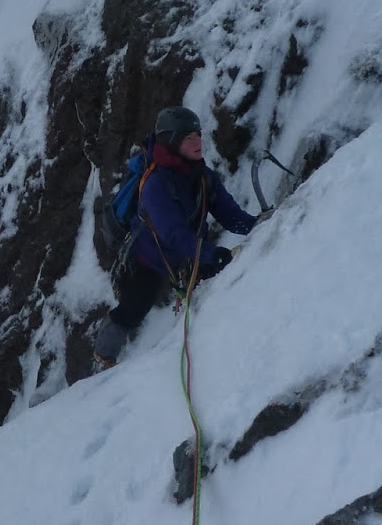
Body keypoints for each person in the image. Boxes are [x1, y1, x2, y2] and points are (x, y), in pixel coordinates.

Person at [91, 105, 266, 369]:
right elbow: (172, 233)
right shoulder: (155, 185)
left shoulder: (203, 177)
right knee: (133, 309)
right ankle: (103, 358)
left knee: (215, 295)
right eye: (188, 138)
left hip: (188, 255)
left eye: (198, 135)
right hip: (146, 261)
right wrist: (210, 254)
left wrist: (259, 226)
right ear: (172, 143)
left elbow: (229, 214)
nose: (198, 143)